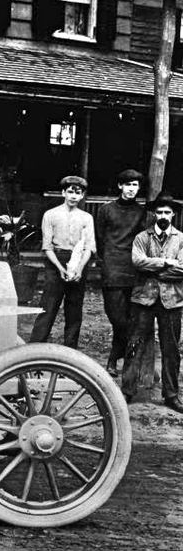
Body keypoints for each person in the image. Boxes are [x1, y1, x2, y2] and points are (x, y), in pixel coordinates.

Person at [123, 191, 183, 413]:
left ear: (173, 214)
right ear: (154, 214)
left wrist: (156, 271)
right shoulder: (142, 238)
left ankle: (171, 395)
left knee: (171, 349)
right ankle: (127, 391)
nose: (163, 215)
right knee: (134, 344)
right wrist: (166, 262)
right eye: (159, 211)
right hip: (144, 298)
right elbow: (138, 262)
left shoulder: (181, 238)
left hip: (172, 300)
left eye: (167, 211)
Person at [29, 175, 96, 348]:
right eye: (70, 192)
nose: (74, 196)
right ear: (63, 193)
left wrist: (80, 268)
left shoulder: (86, 218)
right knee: (48, 306)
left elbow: (89, 246)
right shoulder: (51, 215)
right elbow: (47, 246)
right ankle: (35, 350)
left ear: (82, 196)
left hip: (78, 261)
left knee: (74, 309)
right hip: (55, 261)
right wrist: (59, 268)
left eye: (78, 193)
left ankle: (70, 350)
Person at [95, 169, 147, 376]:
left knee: (130, 318)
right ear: (120, 186)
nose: (131, 189)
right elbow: (100, 239)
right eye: (128, 185)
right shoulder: (106, 210)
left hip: (133, 270)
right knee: (117, 318)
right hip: (112, 269)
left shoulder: (142, 212)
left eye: (135, 185)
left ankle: (113, 361)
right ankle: (122, 357)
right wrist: (106, 262)